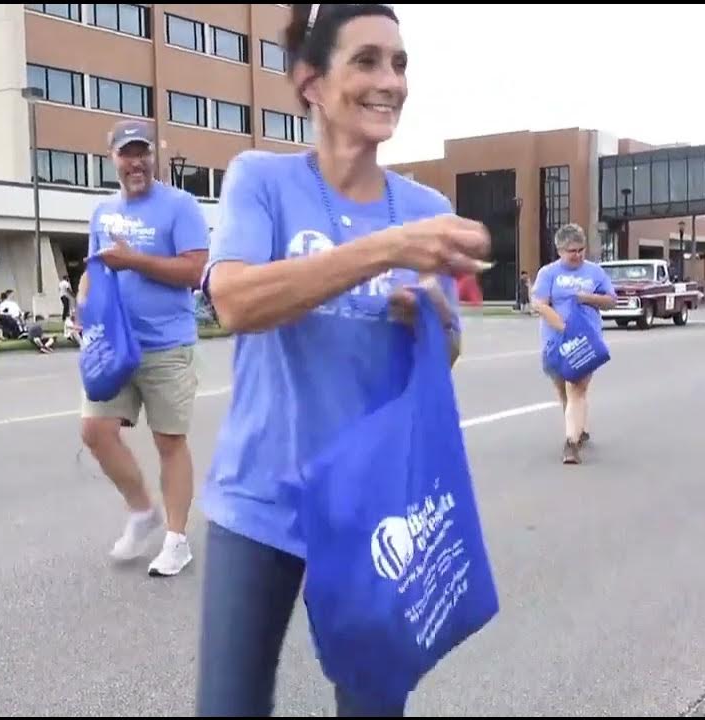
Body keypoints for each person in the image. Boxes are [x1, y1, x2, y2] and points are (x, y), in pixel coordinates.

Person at [194, 4, 490, 716]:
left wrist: (434, 320)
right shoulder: (260, 180)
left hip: (373, 511)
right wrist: (384, 251)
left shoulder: (425, 204)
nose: (390, 80)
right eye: (365, 60)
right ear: (312, 84)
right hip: (260, 501)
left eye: (399, 62)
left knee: (371, 706)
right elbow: (233, 300)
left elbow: (442, 355)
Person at [80, 119, 210, 578]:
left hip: (165, 343)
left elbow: (196, 272)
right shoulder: (101, 212)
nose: (136, 161)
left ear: (155, 155)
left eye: (143, 152)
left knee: (169, 441)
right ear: (111, 158)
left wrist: (133, 259)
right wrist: (83, 309)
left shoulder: (181, 206)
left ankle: (176, 540)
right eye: (126, 153)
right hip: (114, 344)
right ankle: (142, 510)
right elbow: (94, 270)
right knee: (95, 432)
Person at [530, 223, 617, 464]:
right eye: (572, 251)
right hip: (555, 341)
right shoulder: (548, 273)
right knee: (563, 390)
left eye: (581, 249)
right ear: (560, 251)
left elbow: (611, 301)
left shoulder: (595, 272)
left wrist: (587, 298)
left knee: (576, 388)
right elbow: (540, 304)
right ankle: (579, 427)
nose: (577, 255)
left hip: (585, 341)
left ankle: (571, 443)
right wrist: (563, 327)